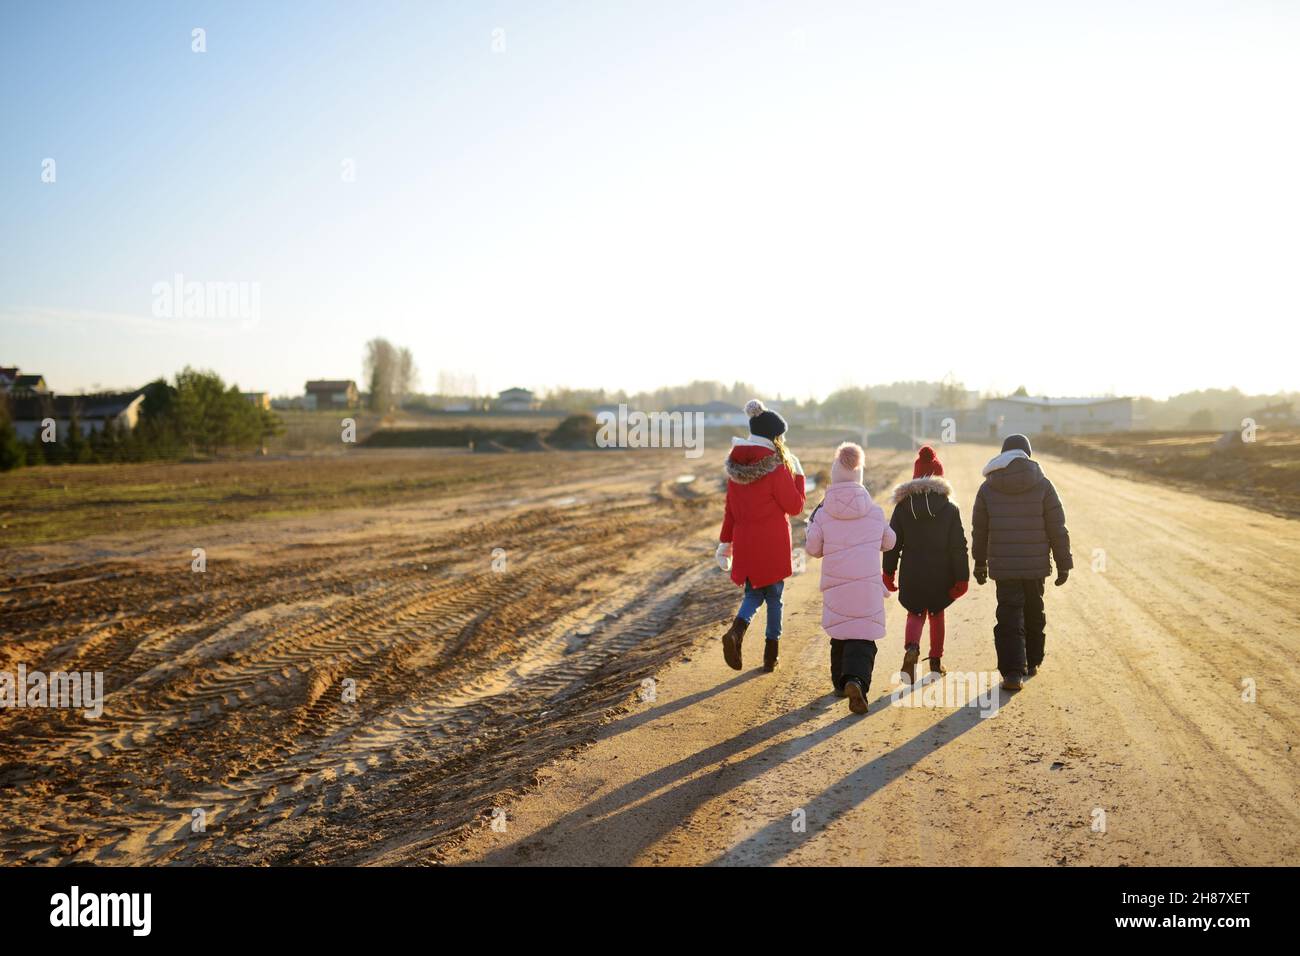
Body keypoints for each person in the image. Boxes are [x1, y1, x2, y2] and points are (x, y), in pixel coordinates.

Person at [971, 434, 1073, 691]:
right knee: (1033, 610)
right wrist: (1063, 563)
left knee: (1008, 615)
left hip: (1004, 567)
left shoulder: (988, 486)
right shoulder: (1043, 483)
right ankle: (1033, 660)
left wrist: (980, 562)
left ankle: (1013, 673)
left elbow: (979, 529)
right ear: (1027, 454)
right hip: (1035, 566)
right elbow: (1057, 527)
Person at [804, 442, 896, 714]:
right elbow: (890, 542)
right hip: (867, 586)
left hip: (837, 587)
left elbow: (813, 549)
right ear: (859, 478)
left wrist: (812, 524)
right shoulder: (874, 510)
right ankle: (856, 680)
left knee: (841, 634)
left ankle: (839, 683)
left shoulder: (823, 512)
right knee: (863, 636)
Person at [716, 400, 806, 672]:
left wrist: (725, 544)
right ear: (773, 437)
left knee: (753, 594)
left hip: (745, 543)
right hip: (772, 543)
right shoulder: (777, 468)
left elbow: (730, 511)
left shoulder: (735, 470)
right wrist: (799, 476)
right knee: (775, 598)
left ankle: (736, 631)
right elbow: (795, 506)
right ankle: (770, 655)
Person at [882, 445, 970, 682]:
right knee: (936, 613)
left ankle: (911, 649)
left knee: (915, 613)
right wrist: (962, 577)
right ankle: (935, 662)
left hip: (912, 572)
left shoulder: (902, 508)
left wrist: (888, 572)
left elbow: (892, 544)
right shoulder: (949, 509)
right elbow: (958, 546)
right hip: (941, 573)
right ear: (938, 476)